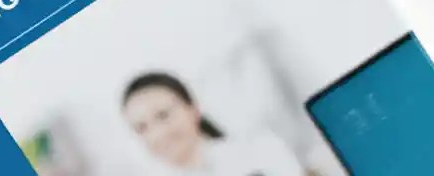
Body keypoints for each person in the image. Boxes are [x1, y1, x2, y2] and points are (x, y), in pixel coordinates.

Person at [122, 72, 307, 176]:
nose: (157, 134)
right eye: (141, 128)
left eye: (163, 115)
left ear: (193, 109)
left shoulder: (260, 150)